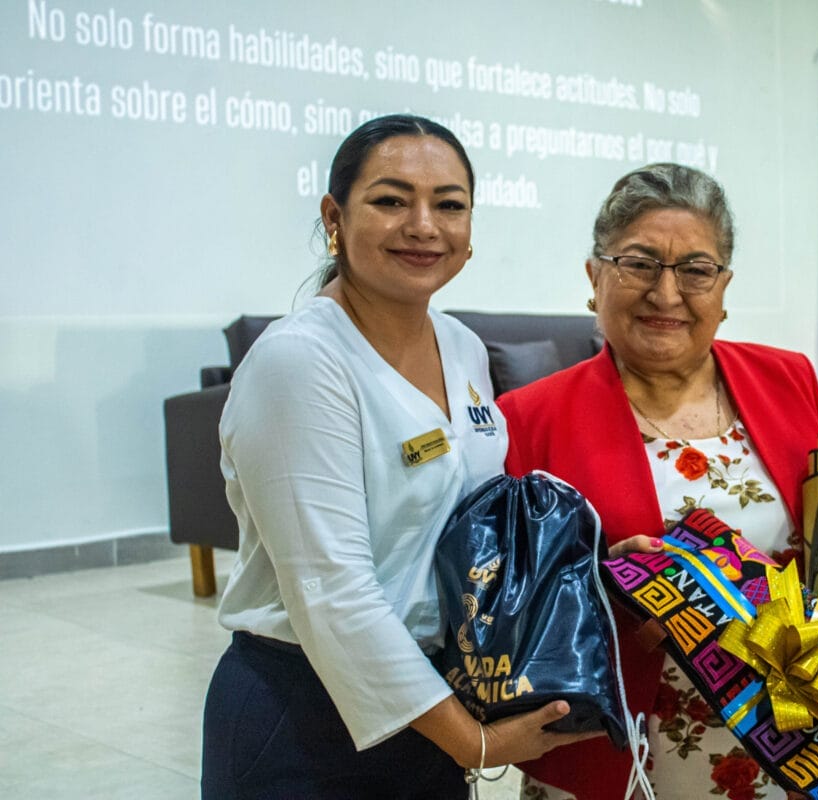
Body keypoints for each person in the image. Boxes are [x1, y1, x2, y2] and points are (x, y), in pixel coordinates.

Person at [201, 114, 593, 799]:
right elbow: (332, 590)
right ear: (334, 217)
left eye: (450, 205)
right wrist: (471, 742)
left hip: (432, 701)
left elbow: (473, 526)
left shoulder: (462, 347)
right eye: (390, 200)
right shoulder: (300, 362)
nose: (423, 226)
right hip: (304, 714)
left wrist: (593, 561)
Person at [498, 163, 818, 799]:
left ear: (724, 286)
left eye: (696, 270)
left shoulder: (789, 380)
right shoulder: (528, 418)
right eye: (639, 264)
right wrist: (602, 590)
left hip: (787, 741)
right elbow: (502, 602)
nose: (666, 292)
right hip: (613, 748)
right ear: (595, 277)